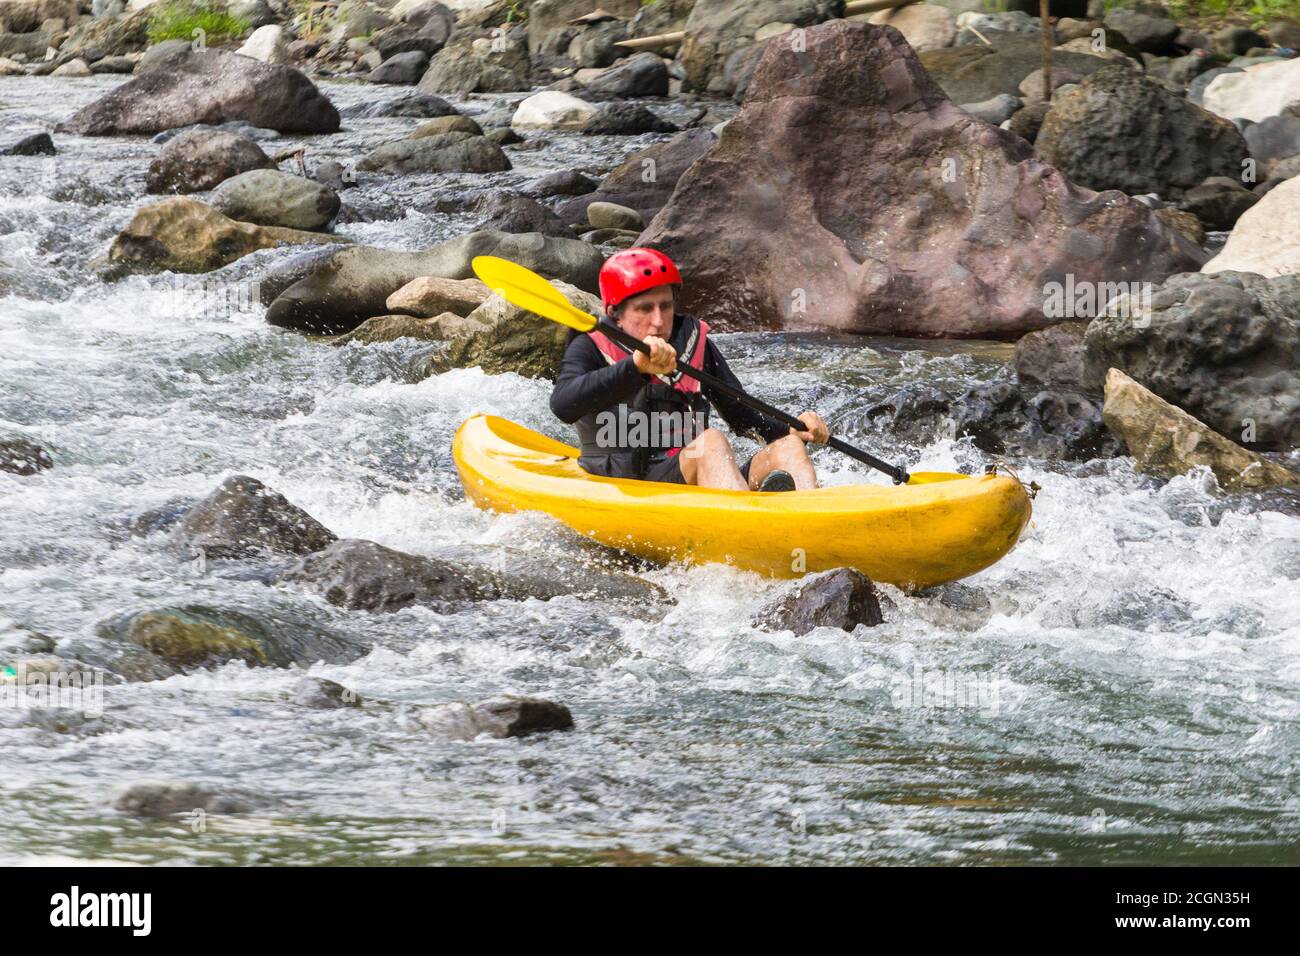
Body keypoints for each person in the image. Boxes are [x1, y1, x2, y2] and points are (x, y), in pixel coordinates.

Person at [549, 247, 830, 491]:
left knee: (789, 449)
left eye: (666, 306)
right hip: (624, 482)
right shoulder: (590, 345)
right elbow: (563, 405)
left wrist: (794, 429)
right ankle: (749, 534)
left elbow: (743, 417)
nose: (658, 322)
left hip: (689, 474)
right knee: (710, 444)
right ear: (616, 314)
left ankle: (815, 531)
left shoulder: (694, 342)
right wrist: (635, 369)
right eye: (645, 309)